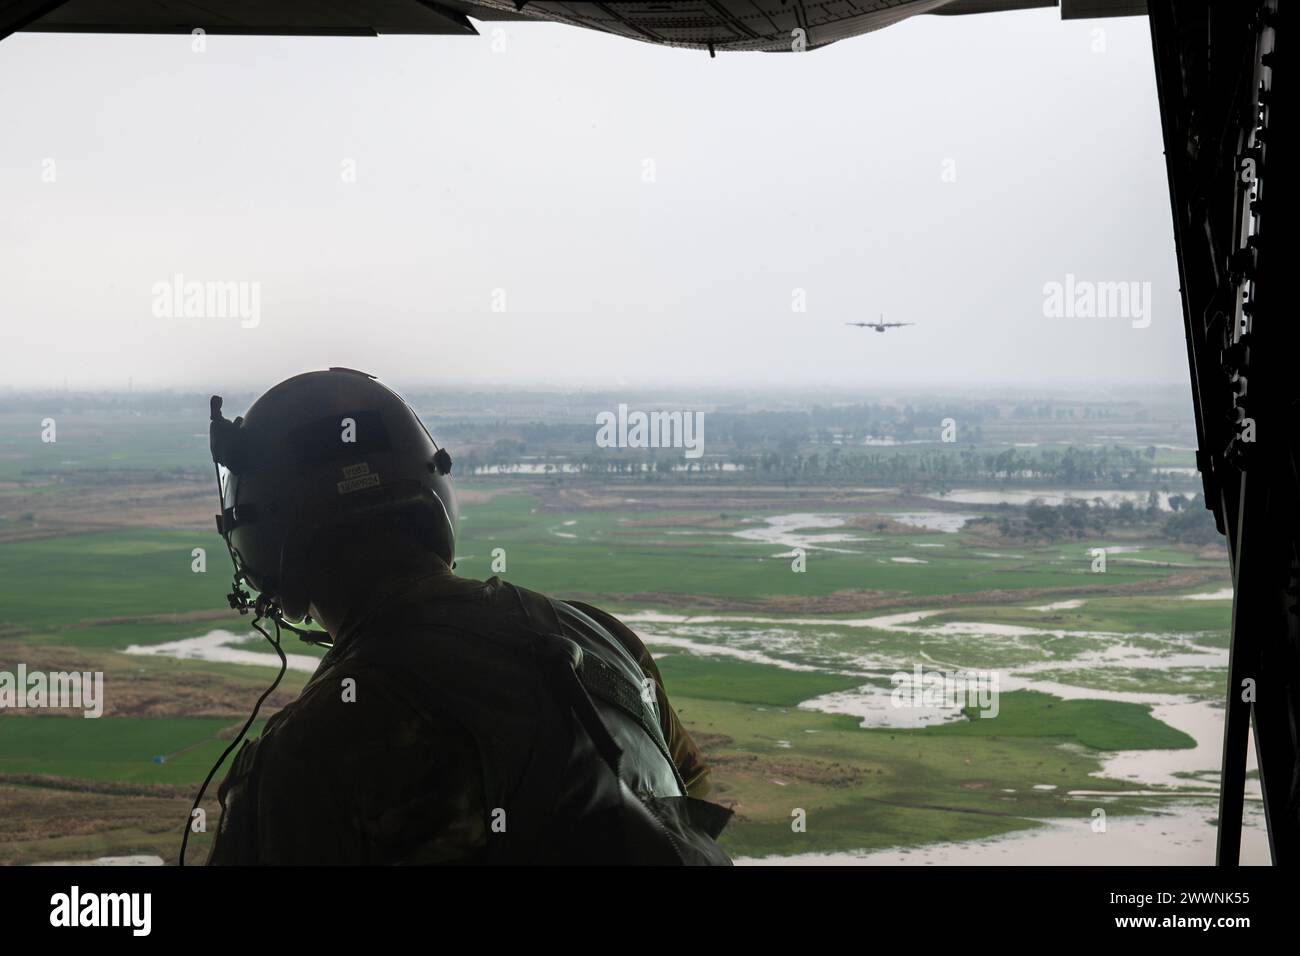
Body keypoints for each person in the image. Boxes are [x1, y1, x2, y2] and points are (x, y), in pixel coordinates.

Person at [203, 368, 731, 865]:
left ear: (261, 550)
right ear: (434, 496)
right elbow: (689, 805)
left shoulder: (305, 753)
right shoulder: (601, 640)